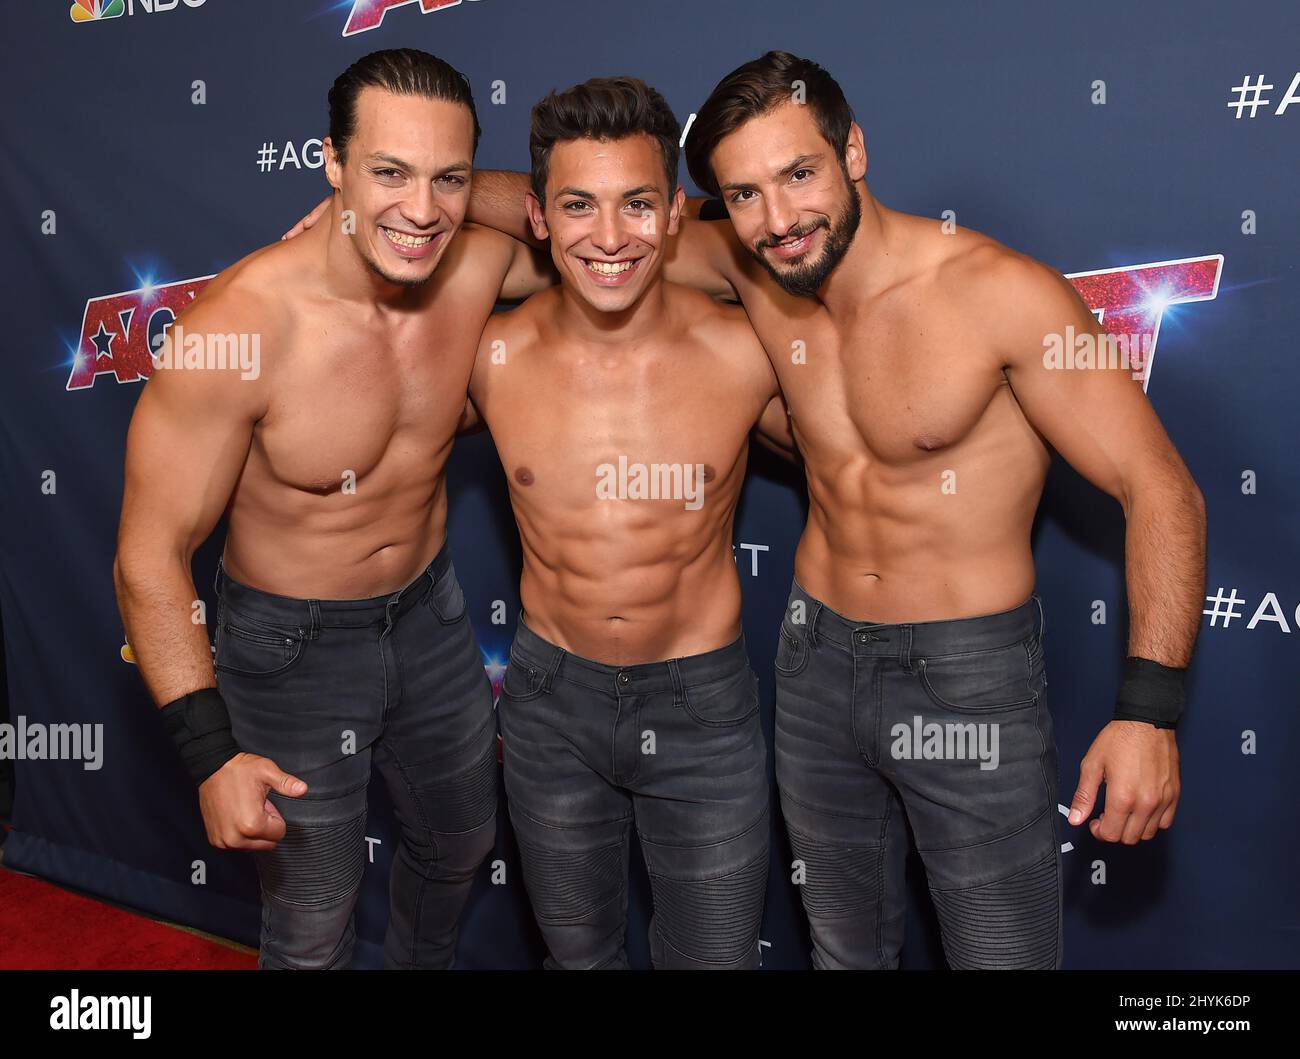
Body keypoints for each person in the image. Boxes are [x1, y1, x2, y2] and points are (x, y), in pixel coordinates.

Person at [468, 51, 1204, 969]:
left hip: (963, 675)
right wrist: (414, 202)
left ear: (853, 150)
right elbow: (591, 206)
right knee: (844, 952)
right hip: (816, 667)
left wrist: (1151, 711)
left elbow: (1159, 483)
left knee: (1003, 956)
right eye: (743, 194)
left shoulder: (1002, 296)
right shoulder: (761, 269)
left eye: (799, 174)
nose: (778, 217)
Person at [114, 48, 548, 970]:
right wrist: (211, 754)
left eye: (449, 178)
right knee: (312, 918)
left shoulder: (474, 264)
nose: (421, 211)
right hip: (288, 650)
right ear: (330, 163)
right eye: (387, 171)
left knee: (461, 842)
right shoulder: (240, 326)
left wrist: (443, 191)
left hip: (429, 618)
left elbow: (606, 218)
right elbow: (150, 553)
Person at [465, 77, 792, 969]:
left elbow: (878, 460)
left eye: (637, 205)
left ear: (678, 215)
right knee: (578, 958)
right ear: (537, 216)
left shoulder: (746, 353)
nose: (609, 238)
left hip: (701, 705)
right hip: (548, 704)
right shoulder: (489, 353)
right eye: (579, 206)